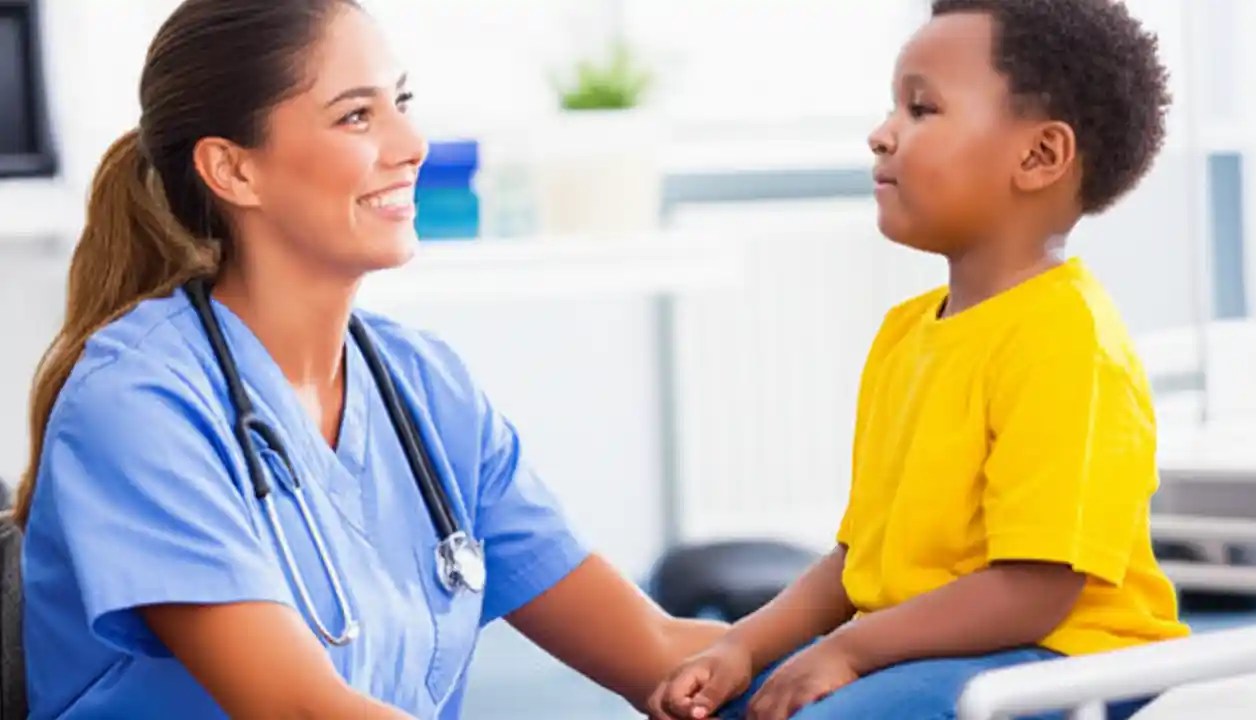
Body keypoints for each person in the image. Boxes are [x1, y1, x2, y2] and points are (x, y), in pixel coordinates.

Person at [15, 1, 725, 718]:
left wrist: (835, 629)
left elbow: (661, 651)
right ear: (232, 170)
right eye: (357, 116)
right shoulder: (139, 403)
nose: (412, 143)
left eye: (402, 102)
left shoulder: (425, 387)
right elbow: (300, 709)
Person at [649, 1, 1189, 719]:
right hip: (931, 646)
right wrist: (742, 646)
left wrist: (848, 651)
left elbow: (1033, 591)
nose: (881, 134)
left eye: (921, 108)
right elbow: (857, 562)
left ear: (1039, 157)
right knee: (721, 703)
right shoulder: (908, 334)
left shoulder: (1068, 338)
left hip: (1064, 657)